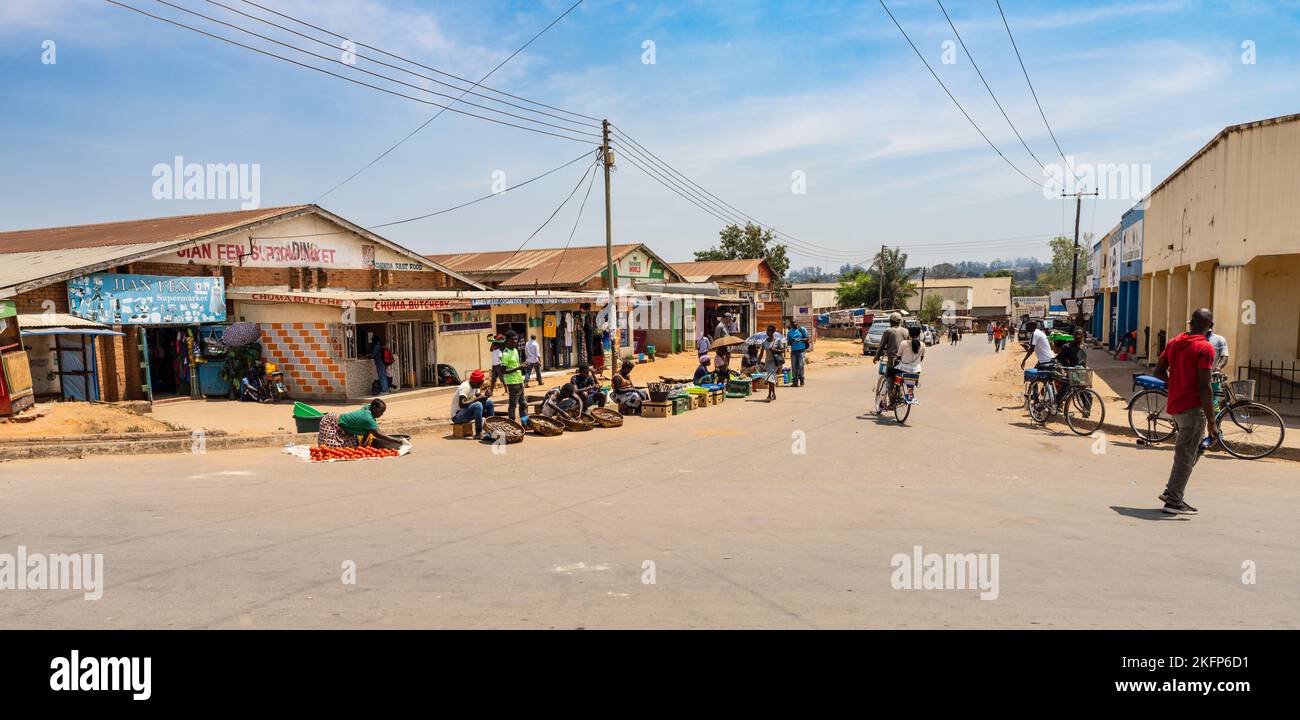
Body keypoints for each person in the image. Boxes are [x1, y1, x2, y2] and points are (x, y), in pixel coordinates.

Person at [1153, 309, 1220, 516]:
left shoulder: (1174, 342)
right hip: (1193, 408)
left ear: (1190, 323)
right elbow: (1205, 386)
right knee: (1186, 453)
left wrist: (1175, 384)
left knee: (1193, 448)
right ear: (1210, 327)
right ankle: (1173, 500)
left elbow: (1158, 371)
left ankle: (1172, 490)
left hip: (1176, 405)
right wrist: (1212, 421)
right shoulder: (1204, 348)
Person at [318, 398, 404, 449]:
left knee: (353, 445)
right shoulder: (368, 418)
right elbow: (379, 435)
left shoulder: (368, 408)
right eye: (381, 411)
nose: (382, 414)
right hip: (331, 421)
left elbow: (368, 430)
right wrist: (398, 441)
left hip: (342, 426)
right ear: (374, 408)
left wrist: (363, 444)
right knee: (328, 446)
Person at [874, 313, 910, 411]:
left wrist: (876, 357)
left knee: (889, 379)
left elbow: (881, 346)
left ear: (891, 321)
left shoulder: (888, 331)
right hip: (905, 362)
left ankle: (892, 402)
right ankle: (900, 393)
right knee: (899, 377)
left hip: (893, 361)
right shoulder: (906, 331)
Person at [451, 369, 495, 439]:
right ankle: (478, 433)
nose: (481, 385)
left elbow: (481, 399)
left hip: (467, 413)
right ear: (474, 381)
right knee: (477, 405)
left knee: (489, 402)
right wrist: (478, 398)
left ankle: (491, 430)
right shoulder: (465, 387)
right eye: (480, 383)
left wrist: (486, 396)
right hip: (457, 417)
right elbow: (462, 404)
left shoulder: (475, 386)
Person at [895, 325, 925, 404]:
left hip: (903, 370)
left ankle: (898, 391)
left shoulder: (904, 343)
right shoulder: (923, 345)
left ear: (909, 334)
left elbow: (898, 356)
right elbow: (921, 358)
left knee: (893, 373)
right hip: (916, 371)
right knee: (910, 383)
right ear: (919, 335)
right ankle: (910, 393)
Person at [500, 330, 526, 421]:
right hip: (512, 383)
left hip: (519, 381)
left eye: (516, 339)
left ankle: (525, 423)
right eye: (513, 339)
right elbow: (503, 371)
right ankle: (512, 423)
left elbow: (516, 365)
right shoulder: (505, 353)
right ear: (507, 340)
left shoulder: (515, 350)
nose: (515, 341)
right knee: (513, 404)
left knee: (523, 403)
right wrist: (519, 367)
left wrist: (522, 366)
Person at [761, 324, 784, 402]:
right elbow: (761, 353)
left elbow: (783, 350)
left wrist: (774, 350)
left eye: (769, 330)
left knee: (770, 378)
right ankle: (774, 394)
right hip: (768, 362)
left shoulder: (777, 340)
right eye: (767, 330)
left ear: (773, 332)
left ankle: (769, 395)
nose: (767, 332)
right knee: (772, 378)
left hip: (775, 362)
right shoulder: (764, 342)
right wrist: (758, 362)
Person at [787, 319, 809, 387]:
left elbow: (807, 338)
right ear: (791, 324)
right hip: (794, 351)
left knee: (800, 365)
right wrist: (792, 341)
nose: (794, 324)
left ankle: (802, 380)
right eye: (793, 323)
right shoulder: (789, 332)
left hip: (801, 350)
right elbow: (788, 343)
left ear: (797, 323)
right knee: (794, 367)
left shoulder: (801, 329)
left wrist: (800, 339)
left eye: (795, 322)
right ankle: (795, 381)